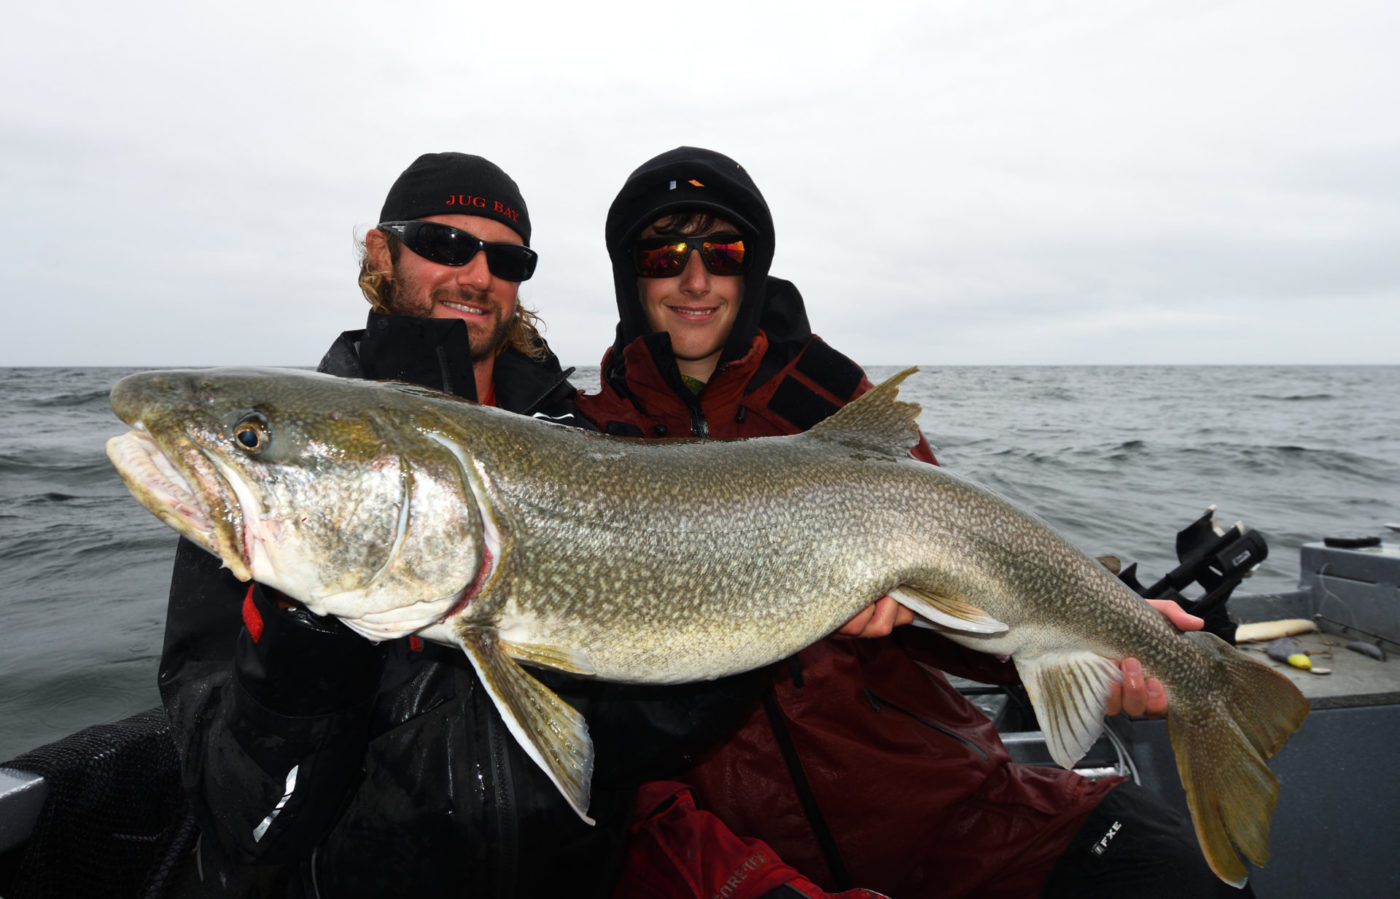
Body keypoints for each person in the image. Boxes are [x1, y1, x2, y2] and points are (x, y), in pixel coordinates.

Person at [576, 146, 1252, 897]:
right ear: (630, 272)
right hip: (743, 848)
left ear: (752, 265)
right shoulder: (584, 444)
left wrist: (1090, 639)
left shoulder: (832, 399)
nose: (696, 279)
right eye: (664, 254)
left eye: (723, 251)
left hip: (948, 807)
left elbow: (968, 587)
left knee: (1181, 875)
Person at [157, 152, 761, 897]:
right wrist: (304, 636)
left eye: (507, 260)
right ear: (382, 253)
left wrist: (773, 607)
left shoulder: (589, 444)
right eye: (445, 243)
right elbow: (243, 823)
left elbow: (637, 742)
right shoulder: (273, 494)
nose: (477, 274)